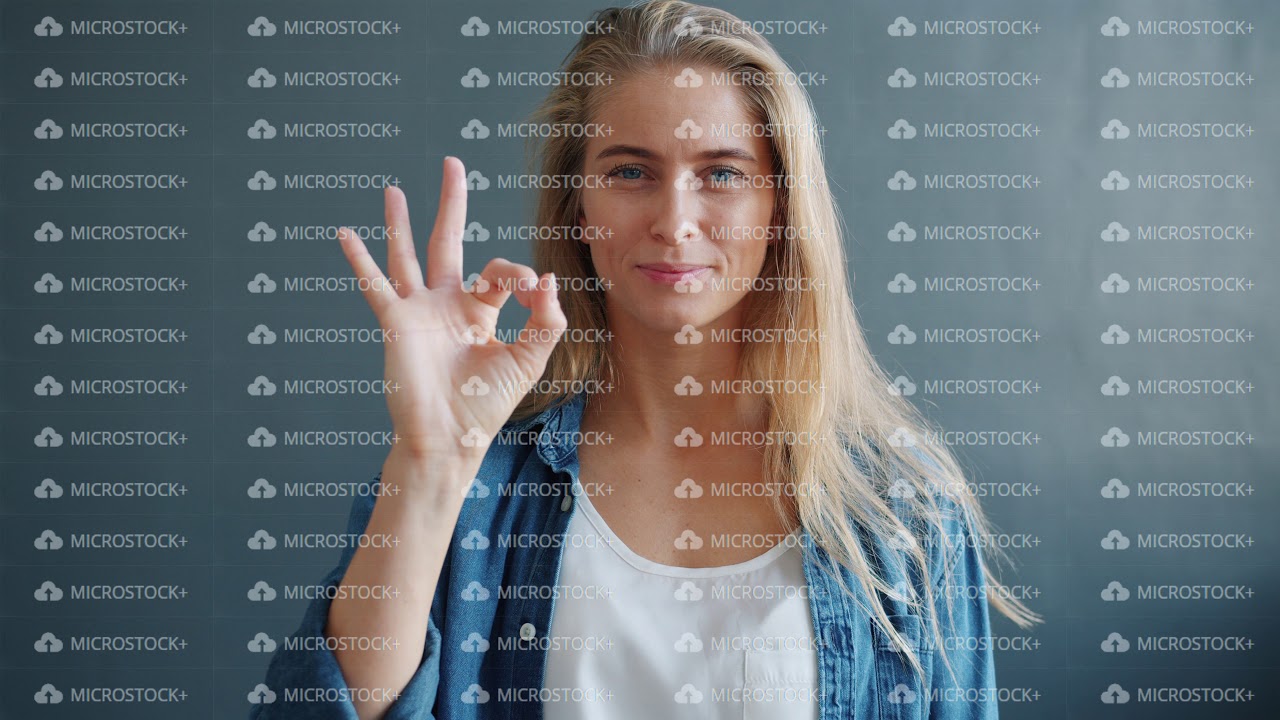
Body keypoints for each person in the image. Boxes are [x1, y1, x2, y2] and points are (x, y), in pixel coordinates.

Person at [251, 1, 1041, 718]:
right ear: (578, 204)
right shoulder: (476, 482)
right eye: (630, 171)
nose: (674, 221)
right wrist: (428, 465)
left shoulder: (900, 502)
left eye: (722, 174)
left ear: (782, 207)